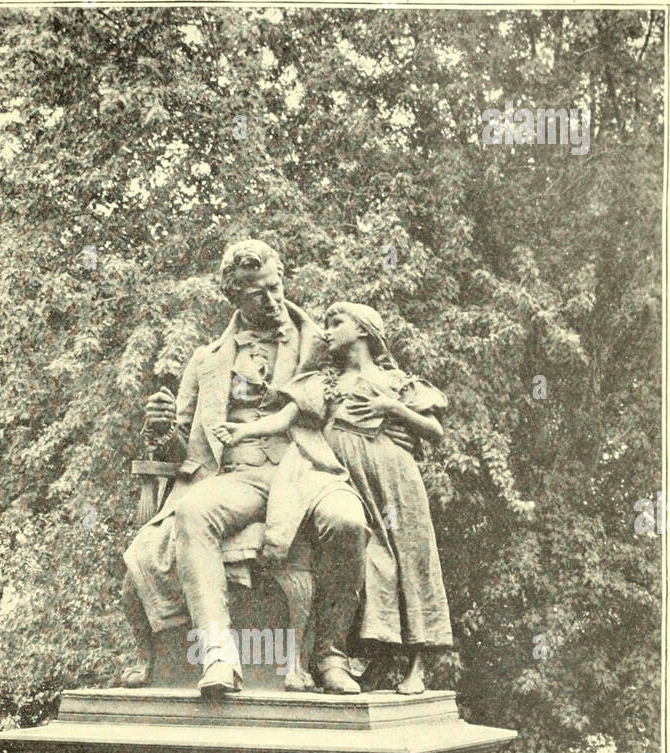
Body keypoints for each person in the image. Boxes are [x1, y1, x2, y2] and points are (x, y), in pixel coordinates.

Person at [121, 239, 371, 696]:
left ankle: (331, 655)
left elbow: (372, 378)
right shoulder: (205, 360)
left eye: (277, 287)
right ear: (235, 296)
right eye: (259, 294)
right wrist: (160, 430)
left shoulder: (321, 342)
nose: (274, 300)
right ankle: (218, 657)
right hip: (238, 476)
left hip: (306, 469)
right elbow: (184, 450)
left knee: (348, 521)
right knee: (194, 512)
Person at [213, 301, 453, 694]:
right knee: (374, 563)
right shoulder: (325, 381)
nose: (328, 330)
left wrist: (391, 407)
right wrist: (241, 432)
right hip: (342, 478)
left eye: (336, 322)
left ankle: (416, 668)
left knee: (410, 559)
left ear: (363, 330)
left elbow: (434, 431)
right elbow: (283, 418)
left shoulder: (400, 383)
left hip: (394, 481)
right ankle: (362, 659)